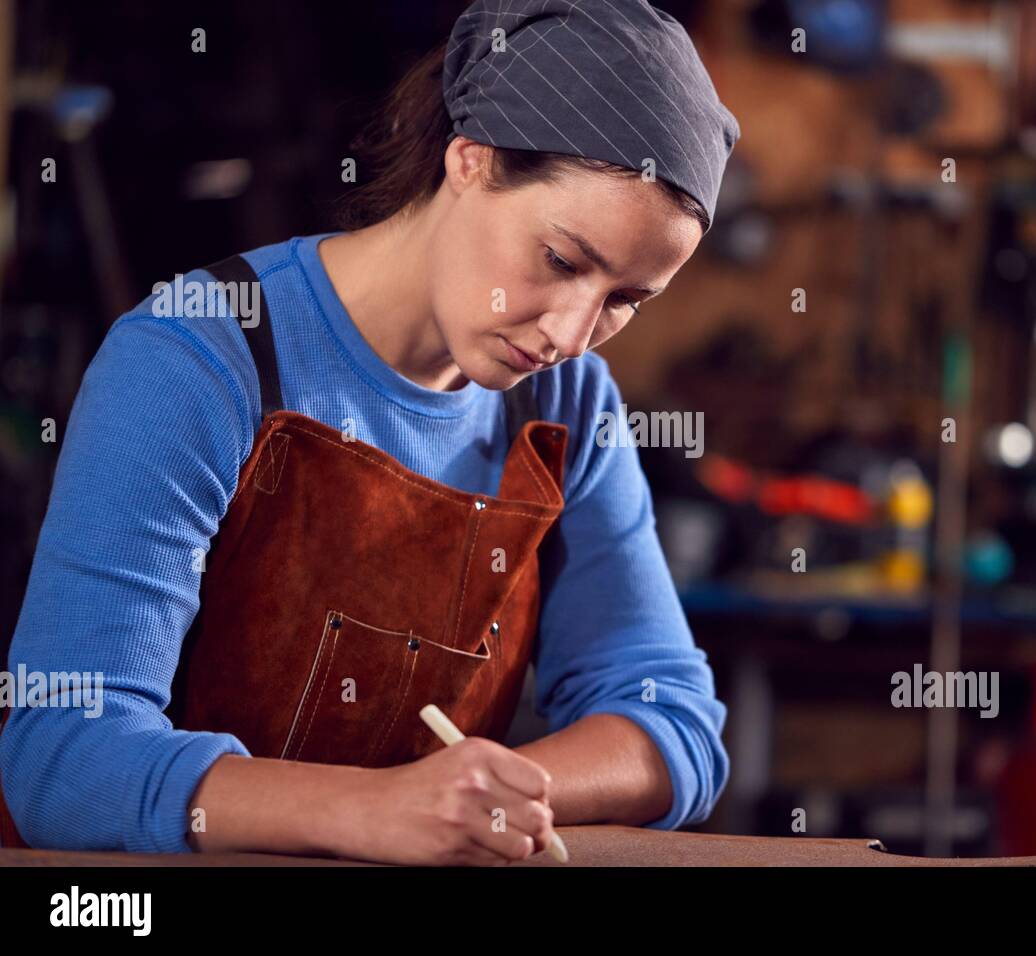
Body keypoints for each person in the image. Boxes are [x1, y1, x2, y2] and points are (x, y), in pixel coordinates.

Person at [0, 0, 740, 865]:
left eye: (624, 300)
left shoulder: (568, 404)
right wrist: (374, 810)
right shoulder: (195, 358)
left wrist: (483, 796)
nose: (570, 335)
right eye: (563, 261)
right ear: (472, 159)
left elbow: (673, 722)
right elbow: (63, 756)